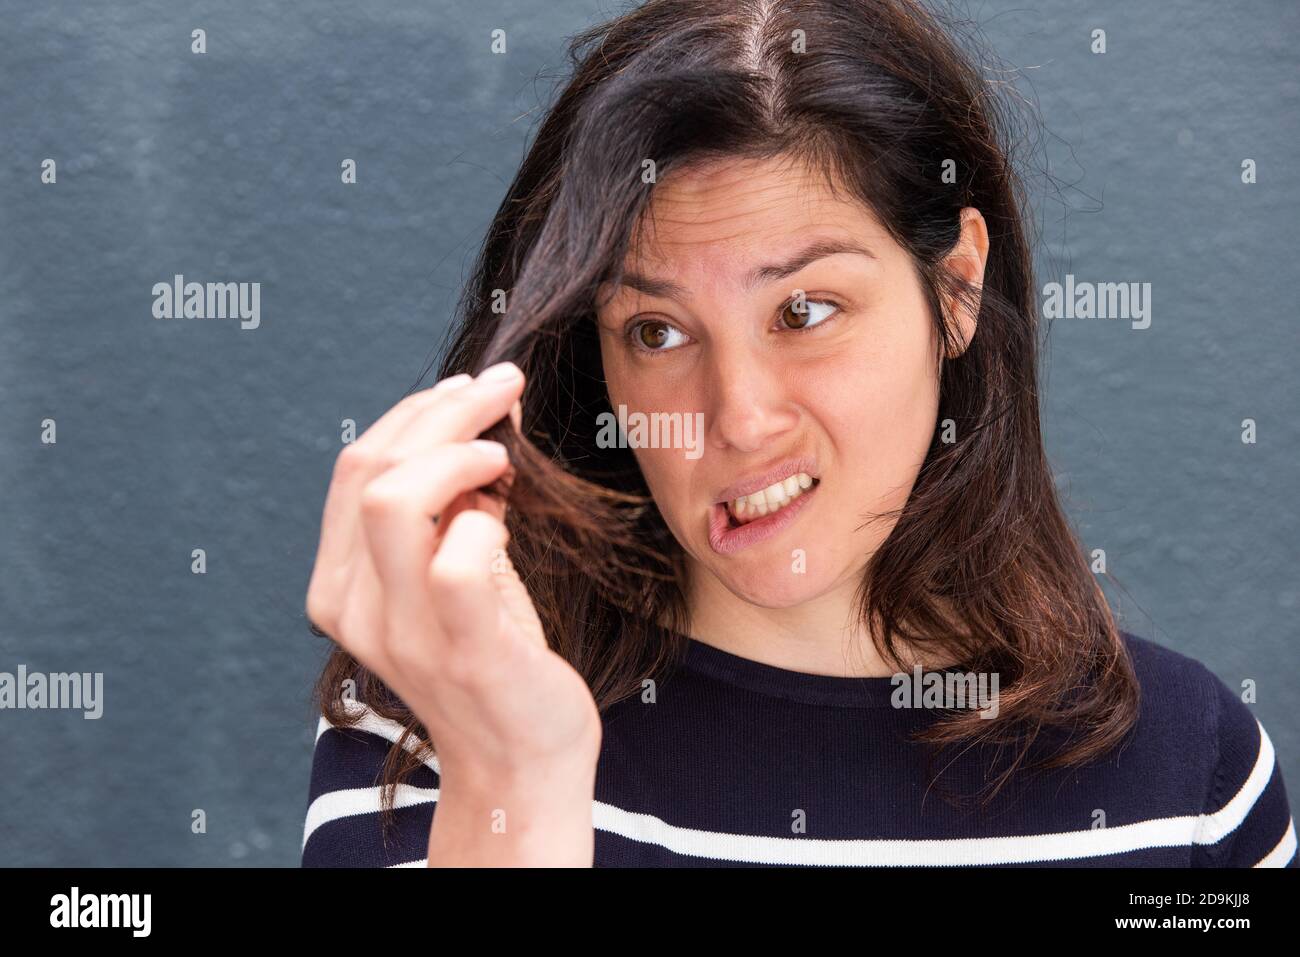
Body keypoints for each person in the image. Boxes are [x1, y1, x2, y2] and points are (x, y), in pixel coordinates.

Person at [299, 0, 1295, 867]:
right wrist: (517, 775)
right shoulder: (433, 731)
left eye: (805, 311)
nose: (738, 418)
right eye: (656, 331)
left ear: (955, 287)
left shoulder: (1188, 774)